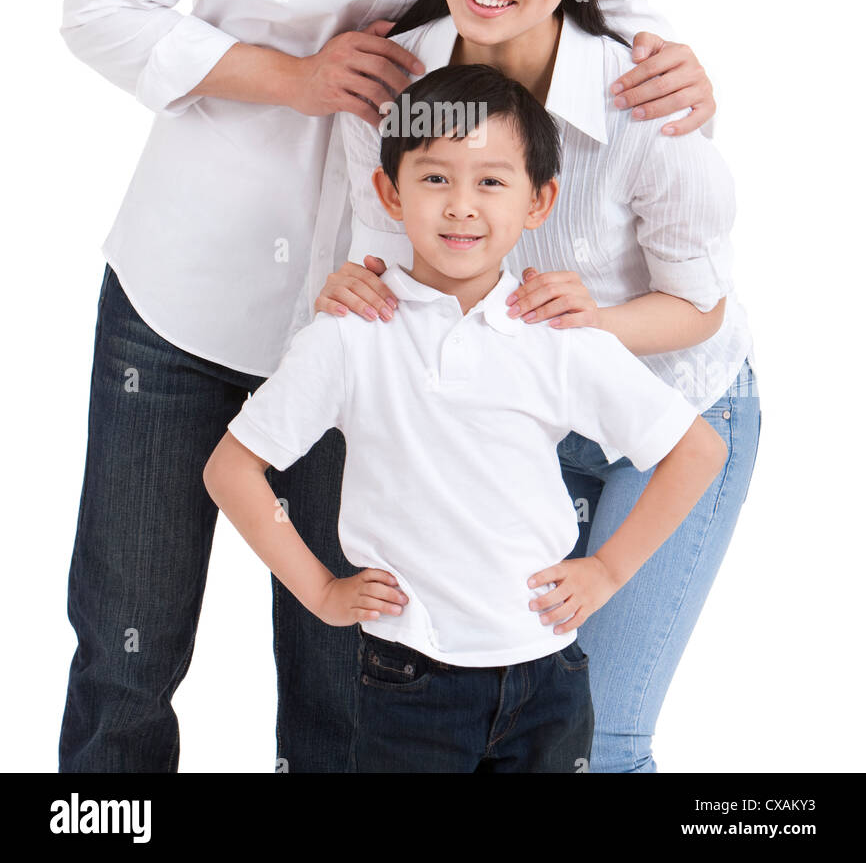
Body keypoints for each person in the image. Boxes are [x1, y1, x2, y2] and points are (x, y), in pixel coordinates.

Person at [58, 0, 718, 774]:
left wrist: (685, 68)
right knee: (129, 654)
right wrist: (296, 78)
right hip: (189, 293)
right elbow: (100, 8)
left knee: (344, 673)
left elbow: (622, 24)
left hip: (381, 327)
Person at [311, 0, 761, 773]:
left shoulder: (645, 100)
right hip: (521, 423)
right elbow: (398, 258)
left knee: (603, 741)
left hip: (674, 409)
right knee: (498, 719)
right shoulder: (394, 83)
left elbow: (699, 307)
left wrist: (586, 323)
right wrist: (354, 294)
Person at [203, 65, 727, 773]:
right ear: (390, 191)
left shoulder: (553, 333)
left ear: (540, 201)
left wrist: (604, 571)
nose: (461, 206)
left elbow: (696, 450)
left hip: (547, 677)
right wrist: (322, 592)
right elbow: (232, 469)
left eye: (490, 181)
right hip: (408, 680)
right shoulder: (353, 333)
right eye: (435, 178)